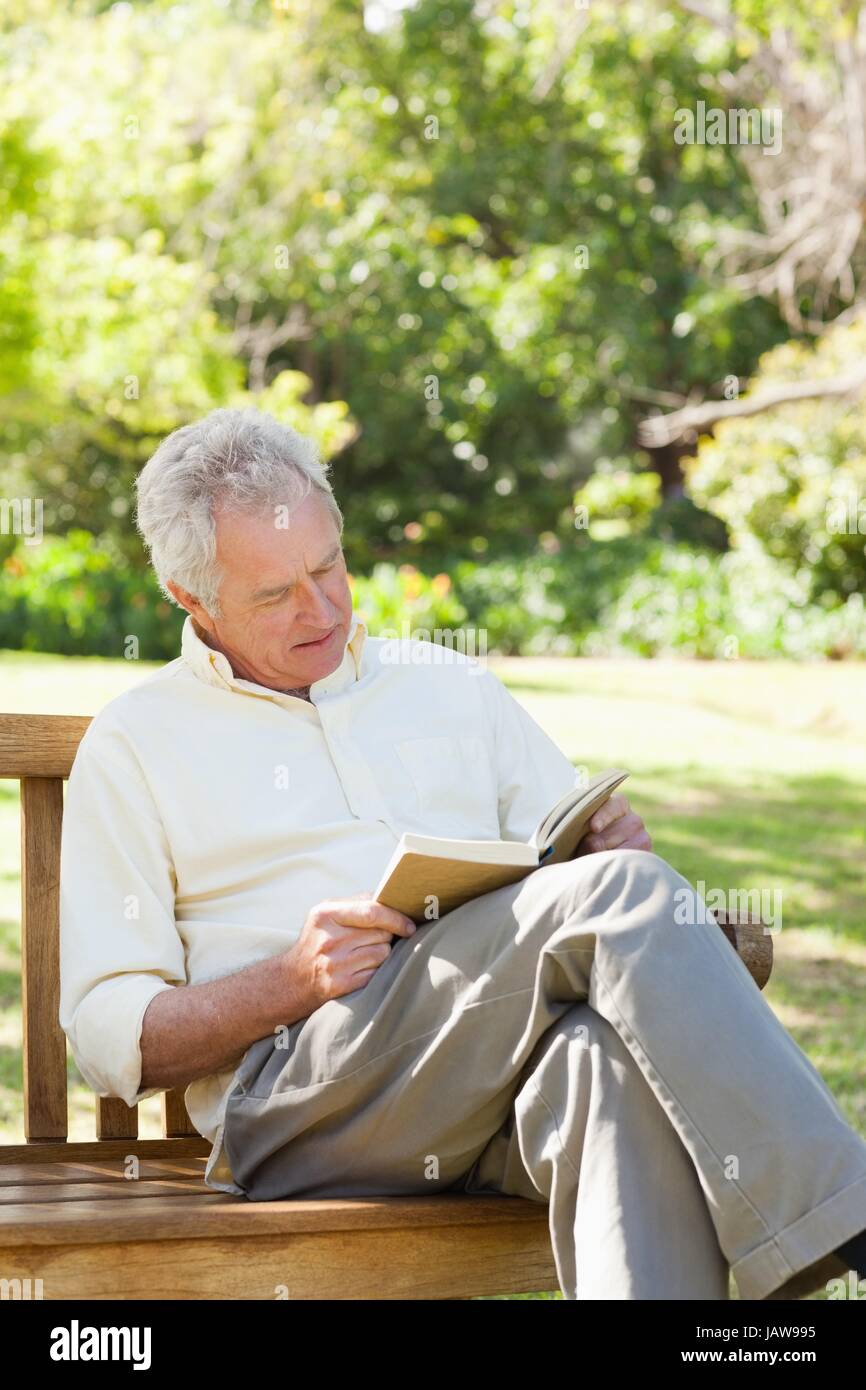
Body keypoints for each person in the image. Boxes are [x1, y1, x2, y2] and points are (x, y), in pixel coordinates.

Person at [59, 408, 866, 1300]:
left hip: (486, 1083)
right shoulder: (138, 743)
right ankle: (848, 1225)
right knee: (621, 899)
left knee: (598, 1067)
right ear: (191, 598)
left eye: (328, 567)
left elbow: (581, 885)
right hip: (303, 1104)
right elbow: (108, 1037)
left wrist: (603, 848)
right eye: (274, 594)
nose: (321, 608)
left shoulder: (447, 685)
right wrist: (290, 980)